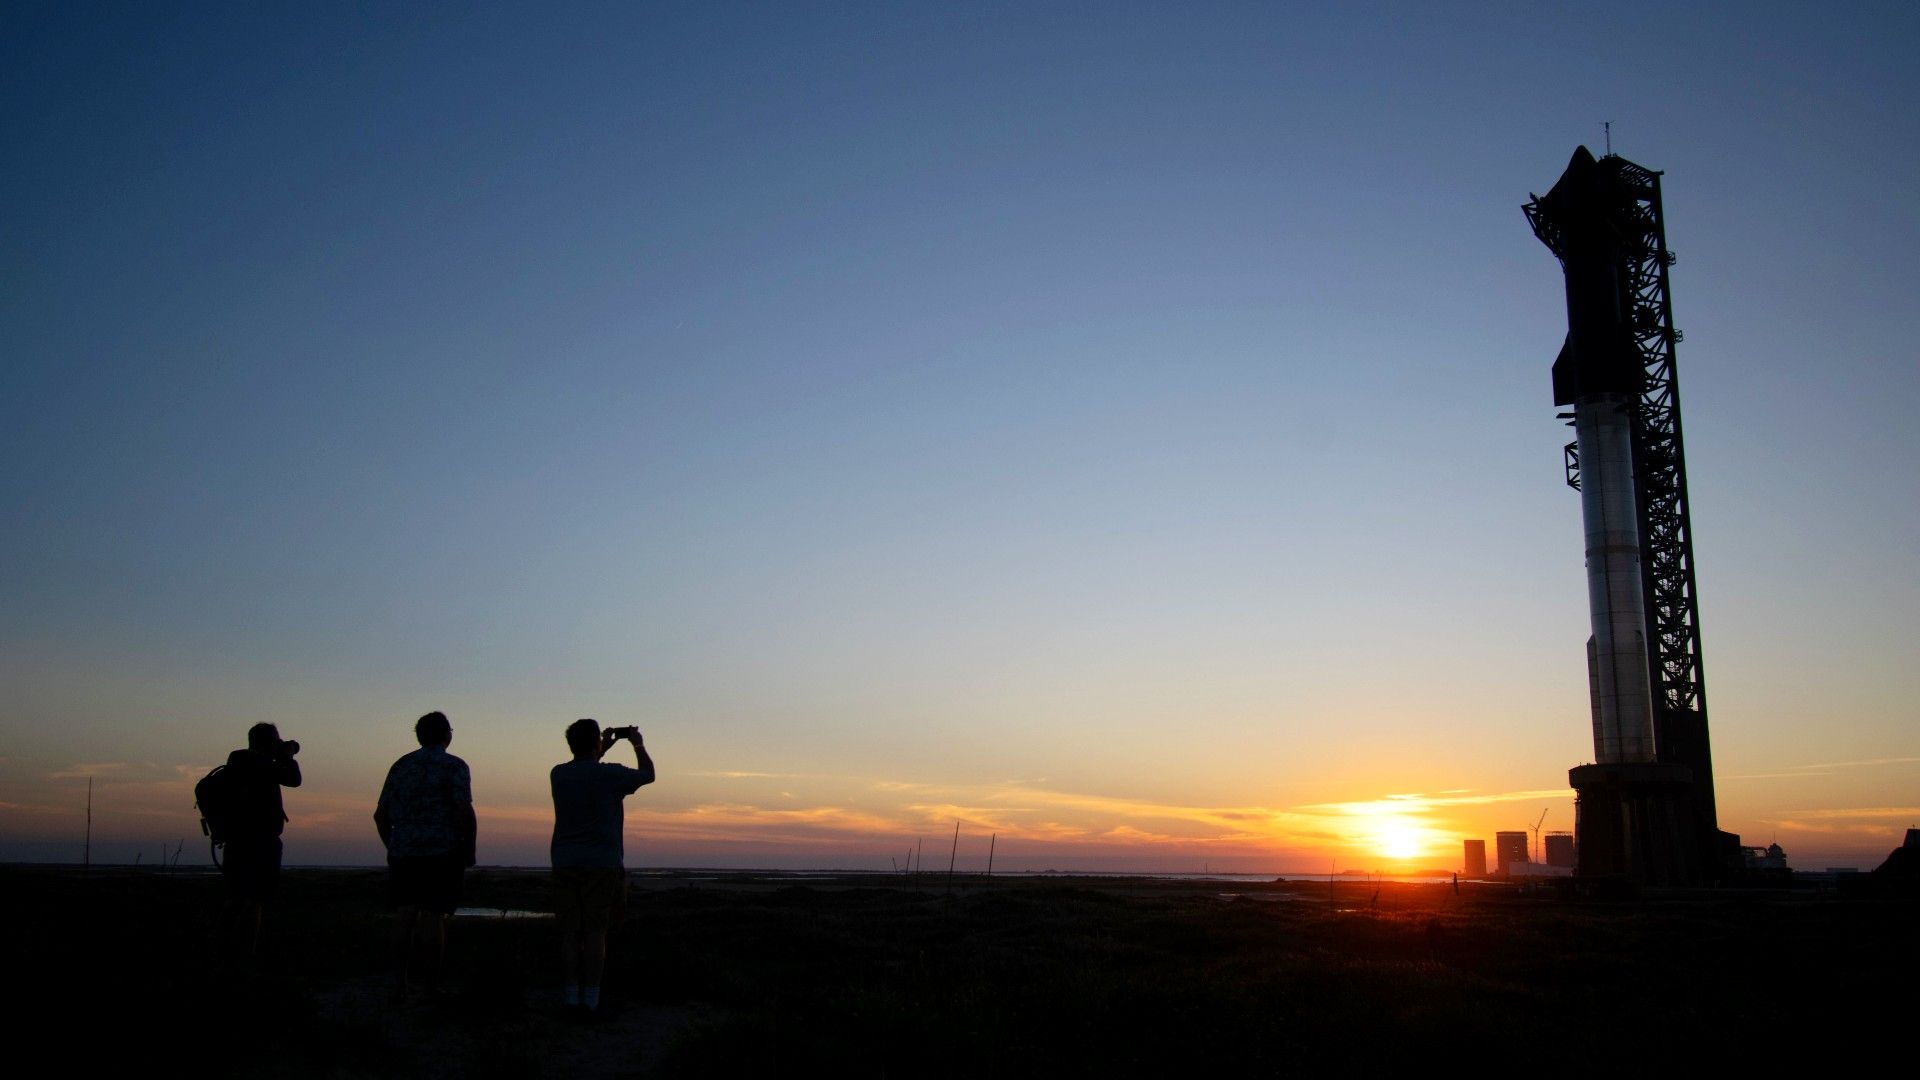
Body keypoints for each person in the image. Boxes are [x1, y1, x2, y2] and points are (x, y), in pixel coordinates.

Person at [550, 718, 654, 1016]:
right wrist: (637, 743)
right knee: (596, 932)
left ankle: (570, 996)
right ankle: (591, 998)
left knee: (570, 932)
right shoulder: (610, 775)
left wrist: (600, 749)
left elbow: (585, 768)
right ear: (596, 742)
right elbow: (648, 774)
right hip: (602, 863)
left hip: (565, 861)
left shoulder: (558, 775)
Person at [374, 710, 476, 998]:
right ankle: (431, 985)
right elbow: (464, 811)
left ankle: (396, 982)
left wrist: (393, 846)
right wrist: (469, 848)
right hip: (442, 852)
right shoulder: (454, 766)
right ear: (447, 734)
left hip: (404, 853)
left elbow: (380, 815)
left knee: (404, 913)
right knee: (433, 916)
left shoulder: (401, 766)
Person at [220, 722, 302, 959]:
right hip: (260, 842)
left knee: (235, 897)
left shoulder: (236, 760)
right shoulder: (259, 763)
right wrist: (287, 757)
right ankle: (245, 953)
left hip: (236, 840)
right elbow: (294, 780)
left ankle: (225, 948)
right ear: (270, 742)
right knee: (255, 900)